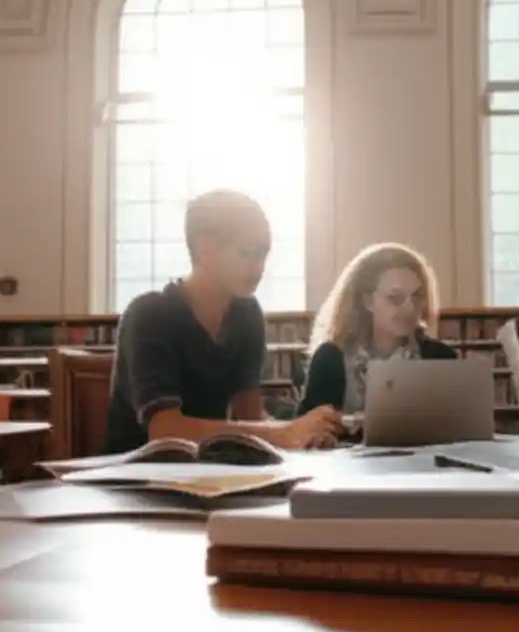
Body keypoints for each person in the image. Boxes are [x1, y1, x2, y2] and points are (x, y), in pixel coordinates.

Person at [105, 189, 342, 454]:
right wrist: (284, 432)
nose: (259, 267)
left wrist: (305, 435)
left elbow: (250, 416)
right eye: (247, 253)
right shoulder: (150, 314)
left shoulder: (246, 314)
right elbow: (165, 430)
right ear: (206, 250)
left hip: (209, 474)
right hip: (136, 479)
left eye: (263, 254)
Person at [298, 243, 457, 415]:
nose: (410, 308)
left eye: (417, 297)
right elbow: (308, 434)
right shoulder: (331, 359)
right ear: (367, 301)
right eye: (395, 298)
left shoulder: (441, 358)